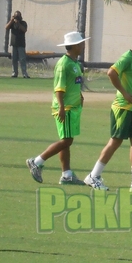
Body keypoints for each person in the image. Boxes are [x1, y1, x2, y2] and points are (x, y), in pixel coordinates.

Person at [84, 32, 132, 193]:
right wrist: (124, 93)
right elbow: (111, 73)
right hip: (123, 108)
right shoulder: (127, 58)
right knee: (115, 142)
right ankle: (93, 176)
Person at [26, 31, 90, 185]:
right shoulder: (64, 64)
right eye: (81, 43)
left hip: (72, 107)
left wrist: (80, 96)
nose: (83, 45)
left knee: (66, 140)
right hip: (65, 108)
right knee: (67, 141)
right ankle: (37, 161)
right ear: (75, 45)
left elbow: (73, 83)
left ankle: (67, 175)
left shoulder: (74, 63)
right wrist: (61, 107)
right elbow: (59, 88)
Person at [5, 10, 29, 78]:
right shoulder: (12, 23)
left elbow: (24, 30)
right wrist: (11, 20)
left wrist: (18, 23)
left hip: (21, 44)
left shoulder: (23, 23)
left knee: (22, 59)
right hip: (14, 44)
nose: (17, 18)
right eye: (16, 16)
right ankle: (14, 73)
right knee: (14, 59)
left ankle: (24, 73)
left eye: (18, 16)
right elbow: (6, 27)